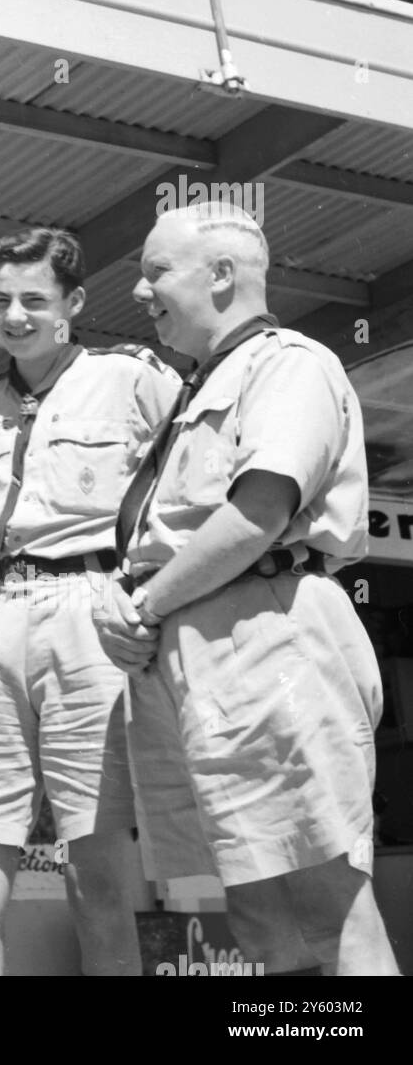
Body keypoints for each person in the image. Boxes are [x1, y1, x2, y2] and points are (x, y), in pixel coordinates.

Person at [96, 202, 399, 975]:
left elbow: (259, 512)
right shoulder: (198, 387)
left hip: (268, 635)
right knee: (263, 917)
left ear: (223, 274)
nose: (139, 291)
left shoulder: (288, 360)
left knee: (324, 904)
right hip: (189, 654)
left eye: (157, 270)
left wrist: (145, 603)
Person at [0, 227, 180, 975]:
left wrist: (144, 605)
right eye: (1, 301)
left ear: (74, 303)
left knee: (95, 880)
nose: (16, 315)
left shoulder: (135, 381)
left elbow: (187, 499)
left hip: (90, 606)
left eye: (34, 299)